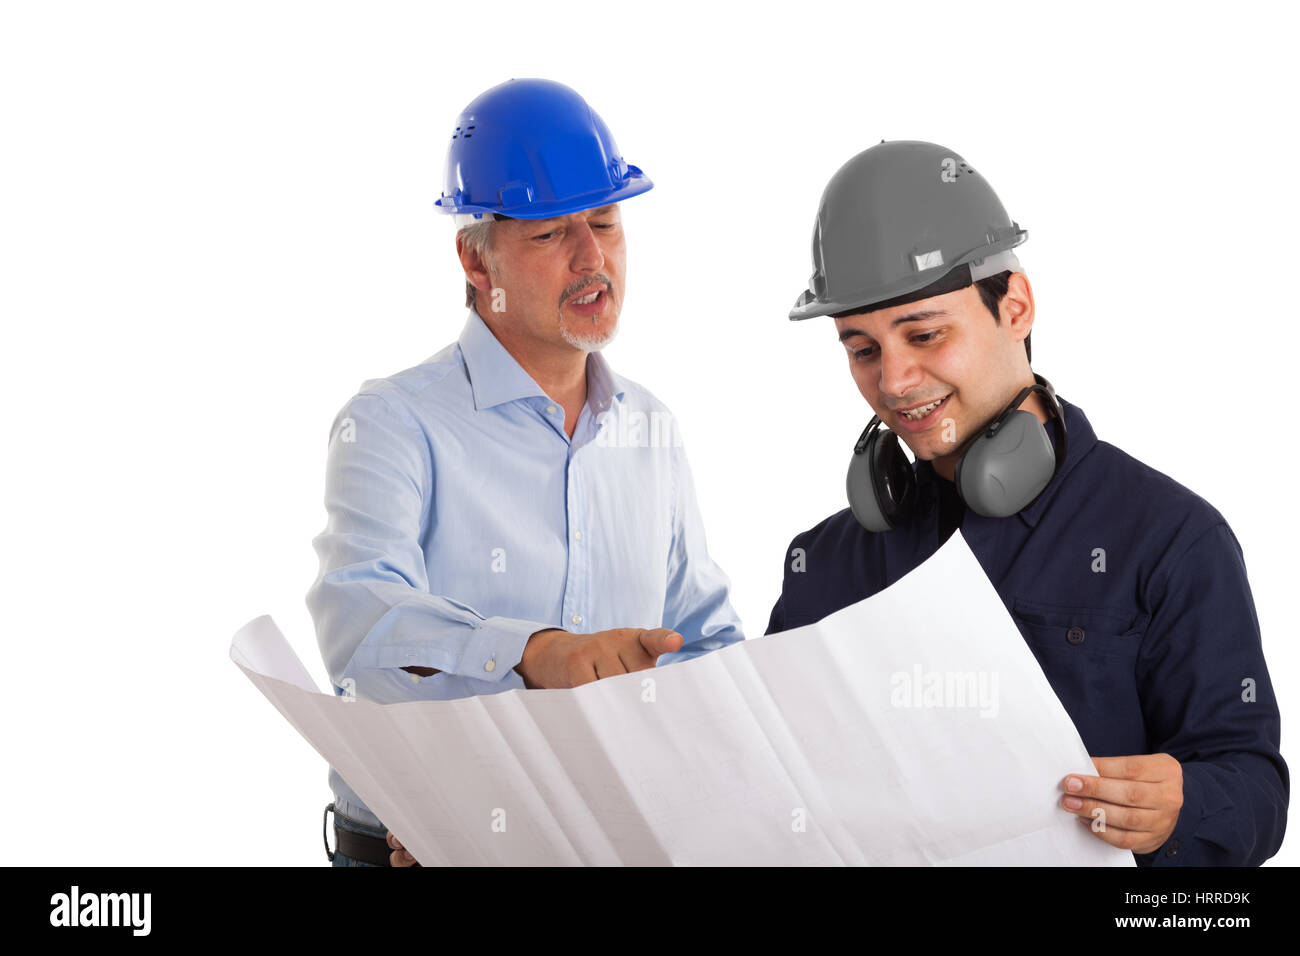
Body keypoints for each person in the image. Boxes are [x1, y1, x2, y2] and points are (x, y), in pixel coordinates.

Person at [767, 139, 1287, 865]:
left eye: (923, 333)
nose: (894, 380)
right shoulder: (821, 563)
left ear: (1015, 306)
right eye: (862, 350)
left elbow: (1253, 788)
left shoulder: (1172, 540)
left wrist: (1184, 806)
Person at [307, 78, 744, 867]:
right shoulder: (392, 424)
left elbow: (706, 642)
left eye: (606, 223)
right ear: (477, 260)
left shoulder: (651, 429)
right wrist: (532, 652)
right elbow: (364, 634)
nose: (593, 258)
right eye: (549, 235)